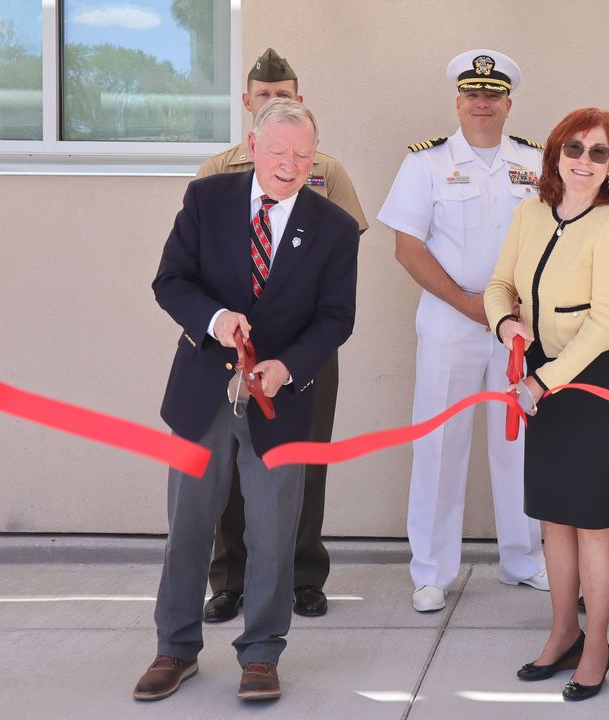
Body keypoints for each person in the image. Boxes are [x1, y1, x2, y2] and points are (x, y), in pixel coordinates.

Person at [137, 99, 359, 702]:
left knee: (272, 530)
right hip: (202, 391)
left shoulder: (334, 227)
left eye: (303, 155)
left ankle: (261, 654)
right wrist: (214, 320)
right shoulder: (207, 200)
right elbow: (170, 280)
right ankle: (175, 648)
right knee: (188, 525)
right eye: (280, 151)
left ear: (315, 158)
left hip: (278, 402)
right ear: (253, 145)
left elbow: (336, 318)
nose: (290, 165)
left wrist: (288, 367)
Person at [197, 47, 368, 624]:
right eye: (266, 97)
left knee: (303, 459)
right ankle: (230, 578)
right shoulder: (217, 172)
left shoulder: (328, 170)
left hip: (306, 346)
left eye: (287, 95)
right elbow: (198, 259)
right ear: (248, 107)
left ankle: (302, 574)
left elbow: (342, 248)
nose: (276, 105)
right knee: (227, 467)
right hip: (233, 347)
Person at [376, 49, 546, 613]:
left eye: (492, 94)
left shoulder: (536, 162)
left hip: (518, 327)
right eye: (472, 93)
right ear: (458, 100)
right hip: (451, 322)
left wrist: (512, 309)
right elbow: (407, 246)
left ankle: (522, 559)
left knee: (518, 442)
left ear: (508, 103)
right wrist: (470, 305)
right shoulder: (425, 163)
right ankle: (431, 571)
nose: (482, 102)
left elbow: (553, 239)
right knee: (439, 444)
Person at [485, 107, 609, 702]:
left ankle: (597, 645)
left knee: (592, 524)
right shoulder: (528, 214)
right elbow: (500, 284)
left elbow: (605, 322)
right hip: (540, 380)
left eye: (598, 152)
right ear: (555, 154)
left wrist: (542, 381)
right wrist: (506, 326)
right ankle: (563, 632)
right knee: (554, 517)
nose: (583, 160)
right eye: (573, 148)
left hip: (598, 383)